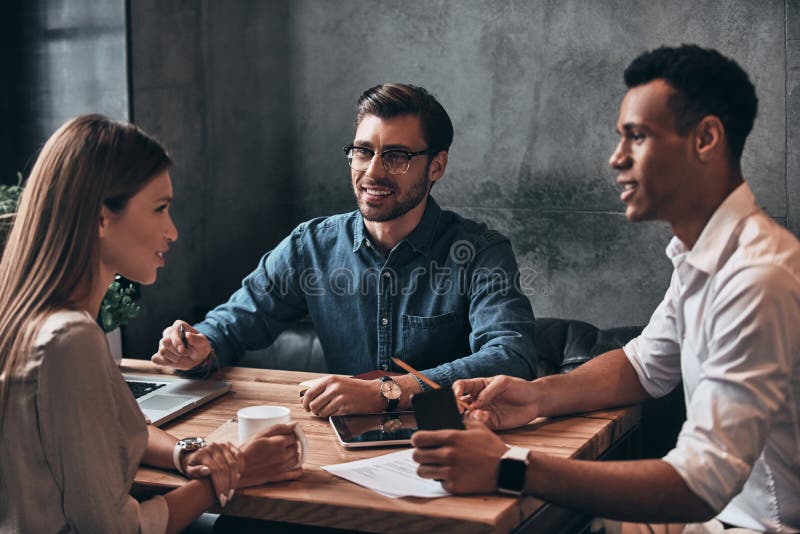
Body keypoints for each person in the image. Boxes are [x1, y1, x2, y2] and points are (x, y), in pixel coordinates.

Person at [411, 45, 800, 533]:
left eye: (637, 137)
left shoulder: (757, 278)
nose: (617, 158)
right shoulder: (704, 258)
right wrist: (534, 397)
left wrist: (510, 466)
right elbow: (642, 365)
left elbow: (702, 482)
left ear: (706, 138)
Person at [152, 83, 537, 417]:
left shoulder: (481, 252)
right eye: (363, 151)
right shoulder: (311, 246)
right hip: (340, 447)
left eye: (397, 157)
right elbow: (232, 323)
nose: (372, 172)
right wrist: (197, 346)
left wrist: (385, 392)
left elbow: (512, 357)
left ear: (436, 166)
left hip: (452, 443)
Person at [0, 115, 302, 533]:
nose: (173, 231)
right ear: (101, 216)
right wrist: (233, 473)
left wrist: (187, 453)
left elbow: (116, 434)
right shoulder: (69, 339)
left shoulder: (34, 319)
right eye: (160, 208)